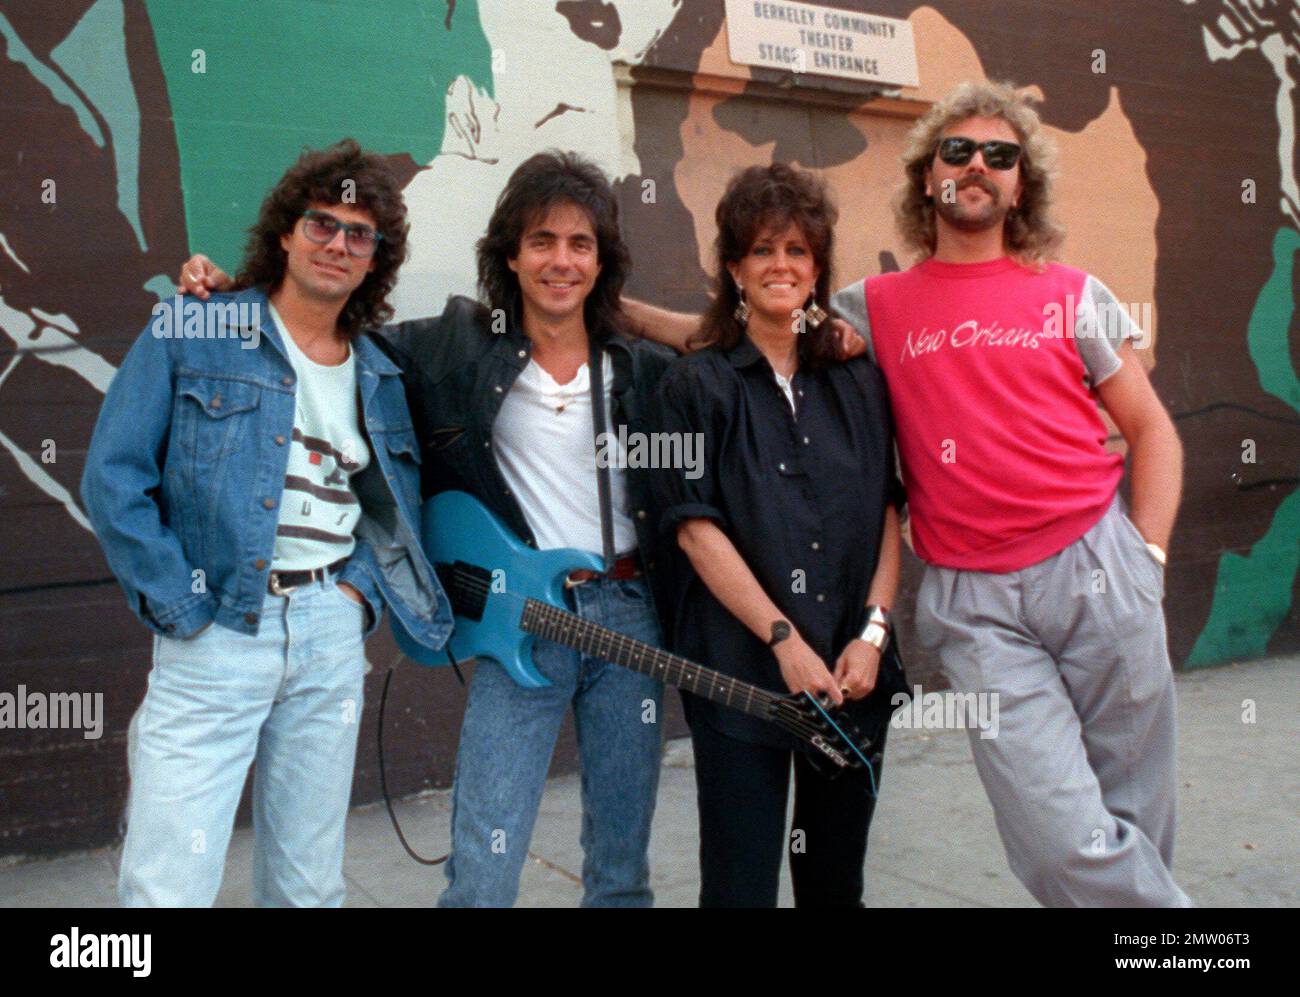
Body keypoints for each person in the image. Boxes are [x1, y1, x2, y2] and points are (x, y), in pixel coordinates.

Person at [184, 150, 675, 907]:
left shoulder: (641, 366)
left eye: (582, 245)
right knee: (482, 864)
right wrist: (237, 291)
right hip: (526, 620)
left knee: (621, 863)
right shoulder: (457, 343)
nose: (561, 260)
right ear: (509, 251)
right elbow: (331, 314)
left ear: (603, 259)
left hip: (629, 620)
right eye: (542, 240)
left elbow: (729, 339)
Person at [829, 80, 1191, 907]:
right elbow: (748, 332)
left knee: (1138, 817)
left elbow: (1153, 429)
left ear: (1020, 183)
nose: (978, 165)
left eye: (1001, 154)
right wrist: (618, 312)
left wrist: (1150, 552)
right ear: (928, 176)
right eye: (957, 150)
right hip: (976, 604)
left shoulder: (1072, 293)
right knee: (1059, 839)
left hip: (1102, 565)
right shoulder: (877, 306)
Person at [82, 140, 452, 907]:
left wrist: (357, 597)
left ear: (374, 259)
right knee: (166, 887)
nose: (337, 244)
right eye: (322, 223)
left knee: (308, 887)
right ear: (286, 231)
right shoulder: (200, 325)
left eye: (359, 234)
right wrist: (181, 606)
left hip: (328, 636)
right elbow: (114, 475)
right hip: (216, 627)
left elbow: (390, 506)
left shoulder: (380, 371)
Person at [650, 164, 907, 907]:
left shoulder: (857, 378)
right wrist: (782, 640)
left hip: (853, 674)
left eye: (796, 251)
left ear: (818, 267)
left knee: (835, 883)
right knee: (739, 886)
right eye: (762, 251)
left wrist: (875, 633)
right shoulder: (692, 386)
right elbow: (694, 531)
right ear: (734, 267)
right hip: (743, 677)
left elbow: (886, 510)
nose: (781, 266)